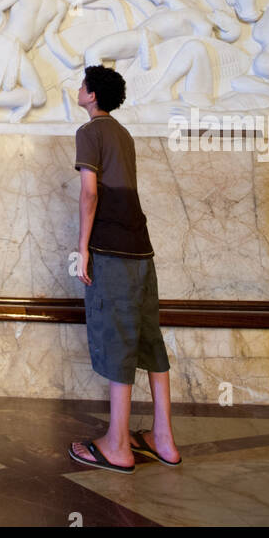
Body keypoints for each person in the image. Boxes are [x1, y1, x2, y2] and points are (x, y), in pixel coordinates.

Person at [68, 64, 181, 473]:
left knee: (116, 339)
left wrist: (82, 249)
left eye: (82, 85)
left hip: (111, 250)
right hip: (141, 248)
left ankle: (117, 445)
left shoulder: (90, 132)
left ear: (93, 95)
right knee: (149, 338)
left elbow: (89, 193)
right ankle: (163, 439)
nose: (78, 89)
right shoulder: (124, 134)